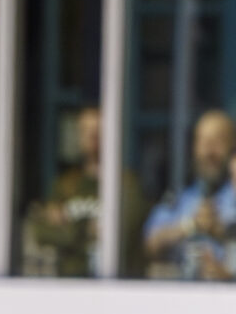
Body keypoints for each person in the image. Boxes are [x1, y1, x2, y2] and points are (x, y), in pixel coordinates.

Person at [23, 106, 147, 279]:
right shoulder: (66, 184)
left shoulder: (127, 184)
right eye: (86, 131)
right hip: (71, 280)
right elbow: (41, 231)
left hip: (116, 282)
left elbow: (123, 234)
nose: (92, 137)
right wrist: (85, 230)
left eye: (98, 132)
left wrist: (69, 224)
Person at [143, 109, 236, 280]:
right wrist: (190, 226)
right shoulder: (180, 198)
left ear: (232, 147)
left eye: (217, 141)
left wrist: (222, 232)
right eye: (204, 142)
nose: (209, 151)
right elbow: (149, 243)